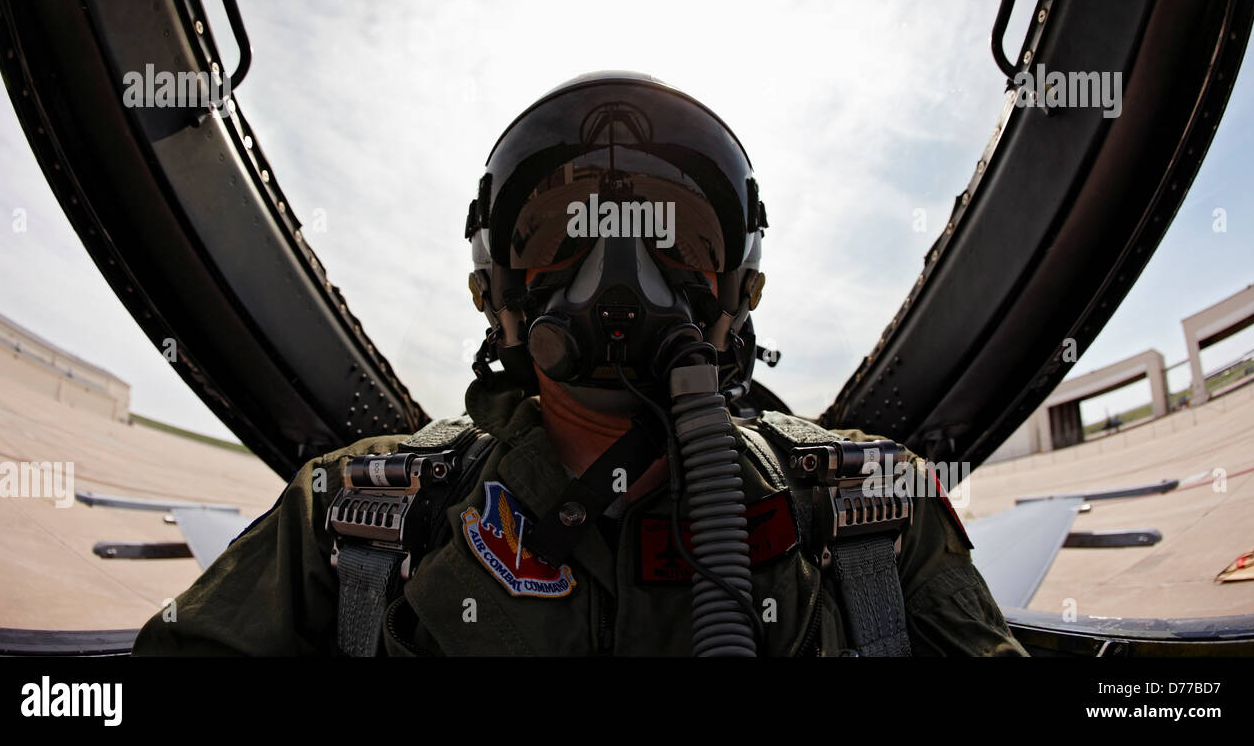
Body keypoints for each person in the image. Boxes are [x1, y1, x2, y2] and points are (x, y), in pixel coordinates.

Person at [133, 71, 1025, 657]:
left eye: (671, 236)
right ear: (499, 290)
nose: (620, 275)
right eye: (567, 234)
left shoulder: (873, 507)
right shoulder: (360, 515)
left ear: (736, 290)